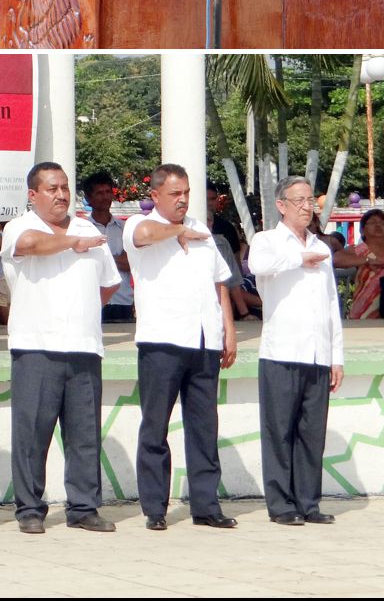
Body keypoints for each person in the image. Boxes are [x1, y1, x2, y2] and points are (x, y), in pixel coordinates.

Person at [1, 162, 121, 535]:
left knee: (84, 434)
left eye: (65, 187)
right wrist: (72, 243)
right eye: (52, 188)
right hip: (36, 346)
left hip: (84, 347)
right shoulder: (21, 226)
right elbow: (31, 247)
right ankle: (30, 509)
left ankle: (84, 507)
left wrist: (80, 310)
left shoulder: (88, 228)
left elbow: (109, 285)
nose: (61, 194)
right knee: (32, 434)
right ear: (33, 195)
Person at [122, 164, 238, 531]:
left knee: (204, 426)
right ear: (155, 196)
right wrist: (176, 231)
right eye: (174, 193)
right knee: (155, 426)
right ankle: (155, 507)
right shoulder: (140, 225)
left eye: (186, 192)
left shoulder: (201, 229)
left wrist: (228, 329)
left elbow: (220, 282)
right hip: (163, 340)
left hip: (204, 339)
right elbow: (143, 234)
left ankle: (206, 504)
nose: (183, 199)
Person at [248, 176, 342, 525]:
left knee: (311, 432)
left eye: (310, 200)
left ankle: (308, 502)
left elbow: (332, 306)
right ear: (281, 205)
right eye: (299, 200)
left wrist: (336, 356)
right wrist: (299, 258)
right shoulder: (267, 241)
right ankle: (281, 504)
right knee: (279, 431)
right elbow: (257, 267)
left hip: (317, 355)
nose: (307, 206)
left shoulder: (322, 246)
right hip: (281, 353)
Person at [332, 208, 384, 319]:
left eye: (382, 223)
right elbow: (335, 259)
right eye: (372, 222)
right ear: (362, 230)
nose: (378, 226)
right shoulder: (360, 249)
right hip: (364, 308)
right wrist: (366, 260)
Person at [83, 171, 132, 323]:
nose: (105, 197)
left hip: (122, 300)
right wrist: (118, 258)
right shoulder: (82, 229)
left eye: (108, 192)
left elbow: (130, 263)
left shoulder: (125, 228)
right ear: (88, 198)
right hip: (91, 300)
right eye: (99, 193)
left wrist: (97, 256)